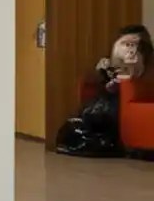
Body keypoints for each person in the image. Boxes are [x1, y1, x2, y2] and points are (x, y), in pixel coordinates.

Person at [56, 24, 153, 157]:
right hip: (110, 96)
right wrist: (104, 72)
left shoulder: (147, 61)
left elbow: (143, 81)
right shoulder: (113, 61)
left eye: (133, 44)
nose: (130, 48)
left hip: (124, 100)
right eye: (125, 43)